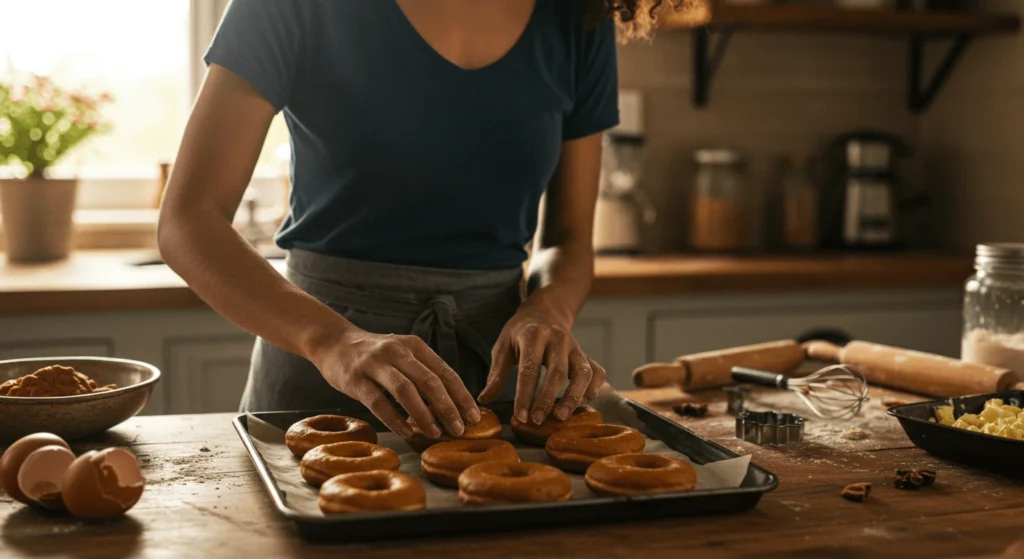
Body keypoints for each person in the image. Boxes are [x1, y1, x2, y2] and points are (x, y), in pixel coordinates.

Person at [158, 0, 706, 439]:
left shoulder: (580, 16)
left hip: (495, 384)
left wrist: (549, 310)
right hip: (322, 373)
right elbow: (188, 221)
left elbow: (567, 240)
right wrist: (335, 343)